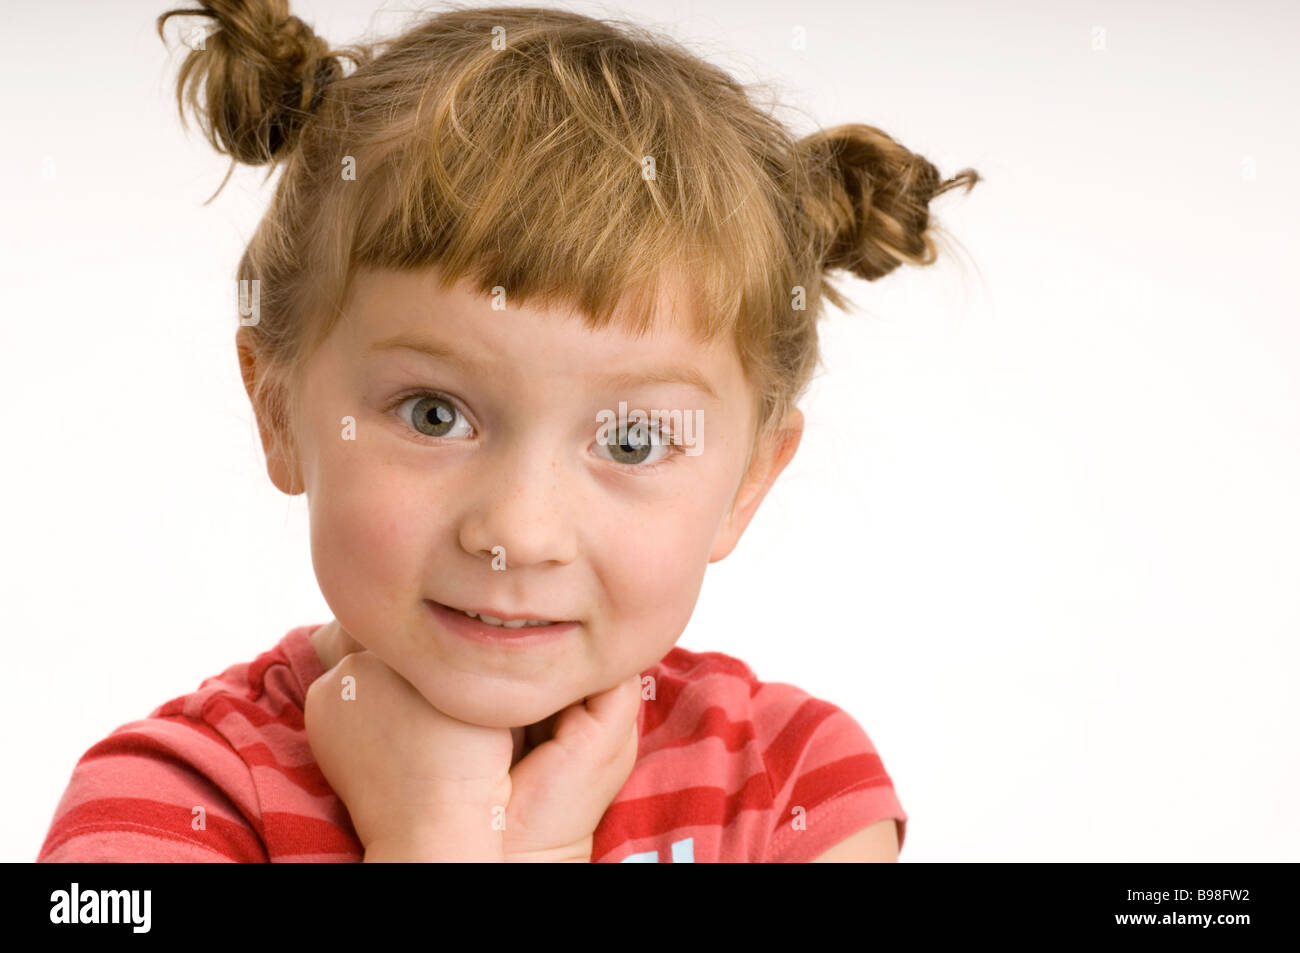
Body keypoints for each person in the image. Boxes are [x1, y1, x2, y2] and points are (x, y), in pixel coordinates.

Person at [38, 0, 978, 862]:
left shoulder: (794, 793)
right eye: (434, 415)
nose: (518, 533)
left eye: (633, 441)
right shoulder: (167, 804)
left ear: (747, 484)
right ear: (279, 411)